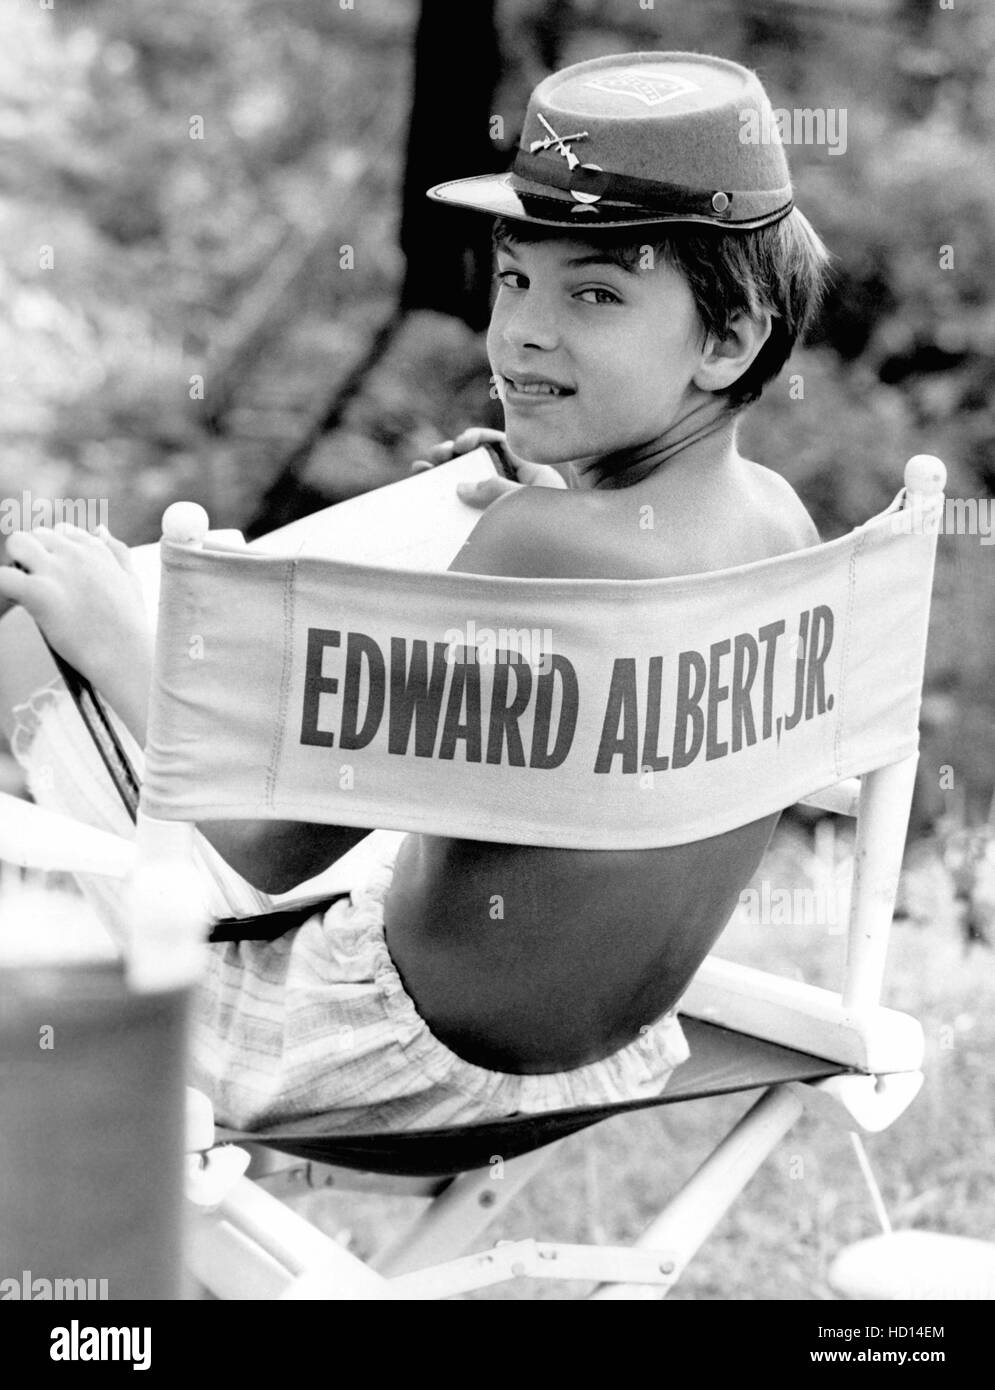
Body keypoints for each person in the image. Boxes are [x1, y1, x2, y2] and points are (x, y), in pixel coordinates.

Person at [0, 51, 829, 1131]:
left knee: (35, 640)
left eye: (594, 294)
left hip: (367, 1049)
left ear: (727, 338)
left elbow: (259, 846)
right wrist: (559, 481)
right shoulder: (772, 521)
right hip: (603, 1037)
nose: (522, 329)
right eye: (516, 276)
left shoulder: (545, 549)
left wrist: (117, 640)